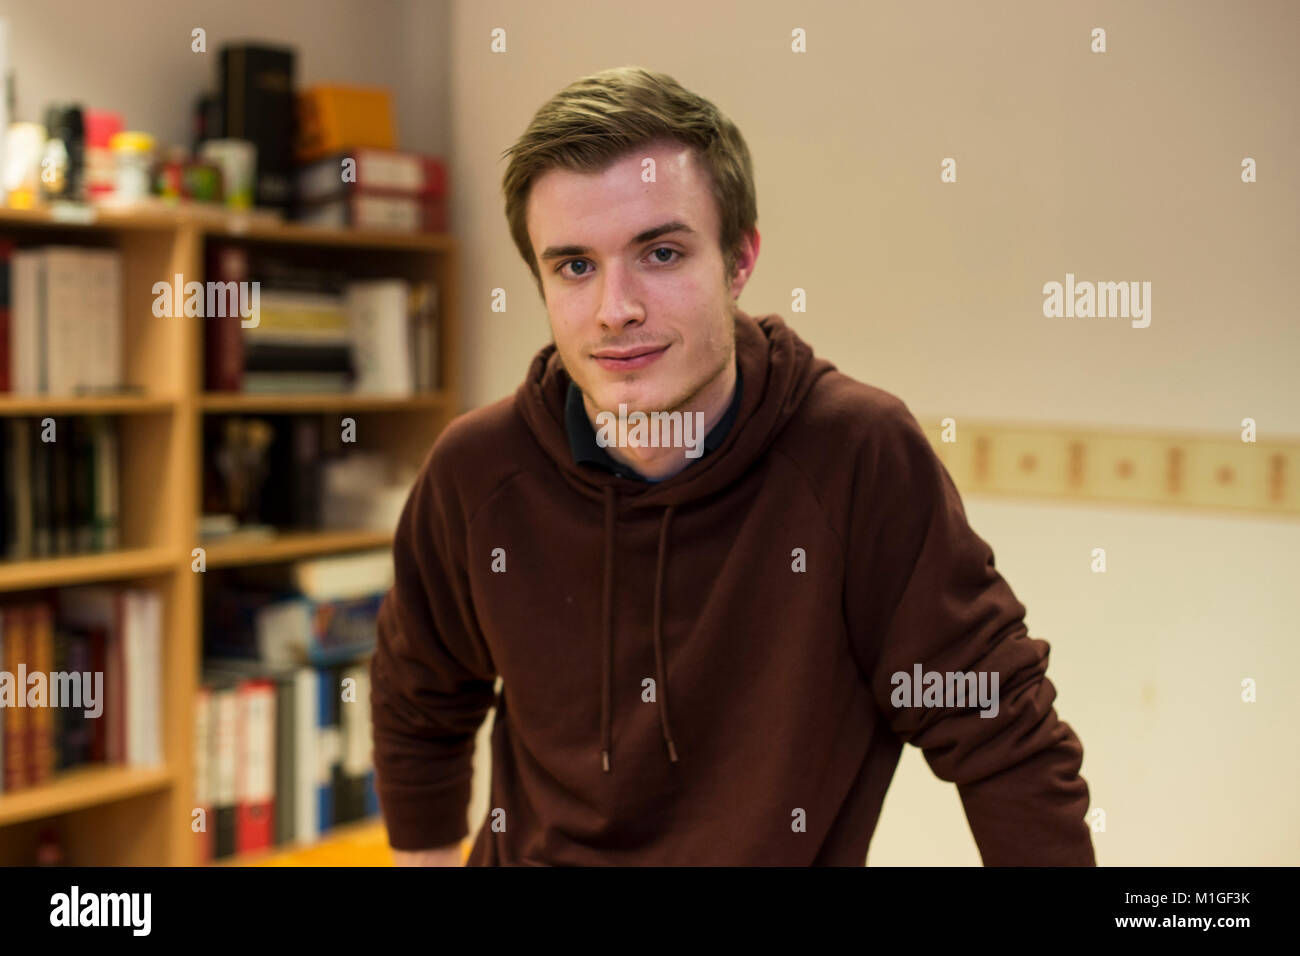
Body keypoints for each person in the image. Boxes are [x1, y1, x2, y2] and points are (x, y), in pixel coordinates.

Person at [369, 66, 1095, 866]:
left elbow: (998, 727)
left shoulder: (854, 455)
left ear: (740, 259)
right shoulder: (480, 471)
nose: (616, 308)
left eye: (661, 252)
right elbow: (418, 700)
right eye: (575, 266)